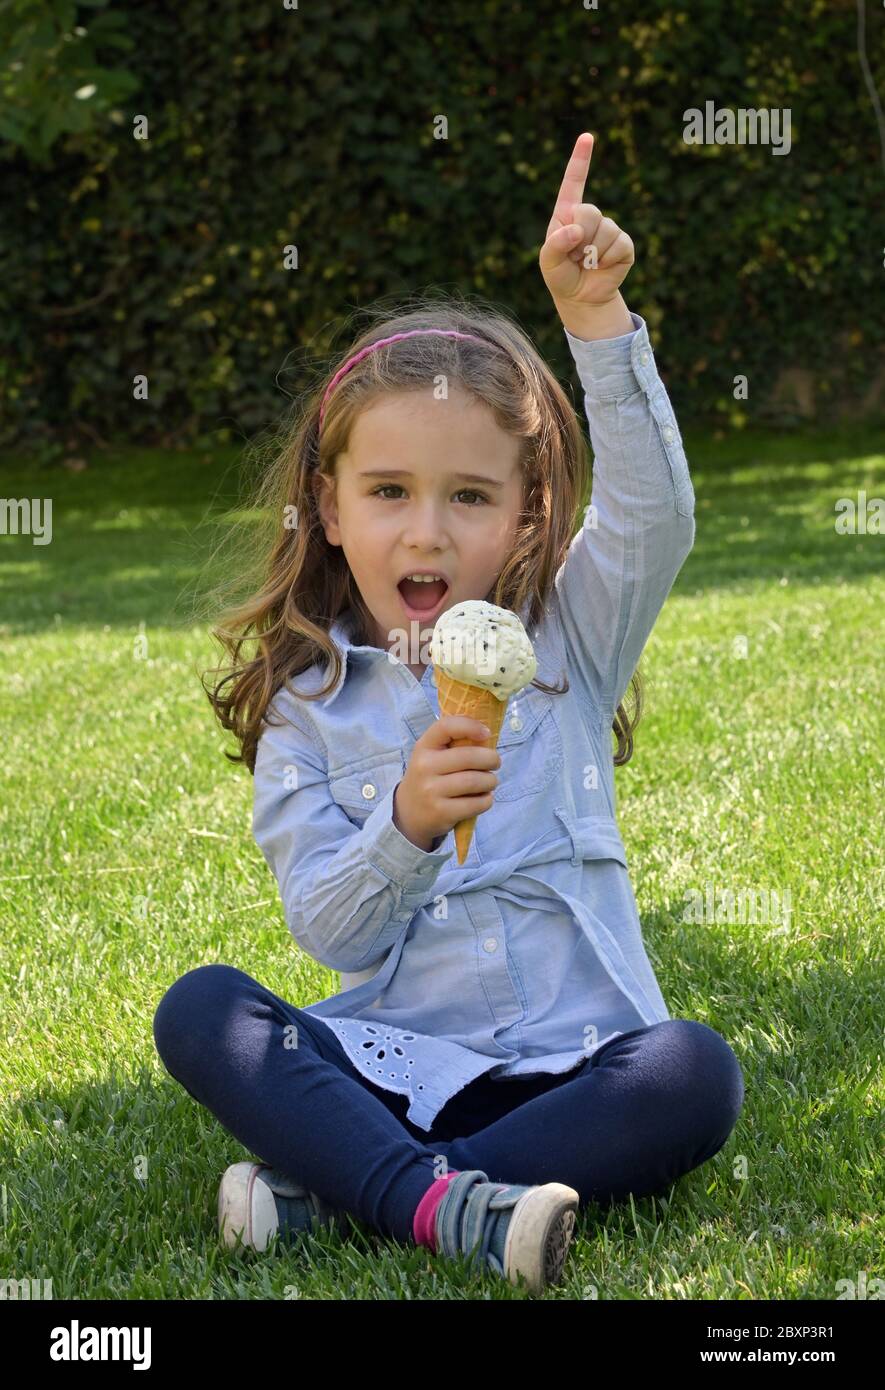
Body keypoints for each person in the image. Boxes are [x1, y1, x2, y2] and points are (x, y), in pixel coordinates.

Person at [153, 132, 744, 1294]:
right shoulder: (307, 709)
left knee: (696, 1072)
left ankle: (370, 1197)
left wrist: (598, 327)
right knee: (204, 1010)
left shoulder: (570, 638)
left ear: (528, 516)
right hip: (392, 1057)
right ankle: (452, 1201)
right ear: (326, 507)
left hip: (573, 1066)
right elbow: (330, 930)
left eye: (470, 496)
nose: (425, 533)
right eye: (387, 493)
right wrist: (406, 828)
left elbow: (658, 517)